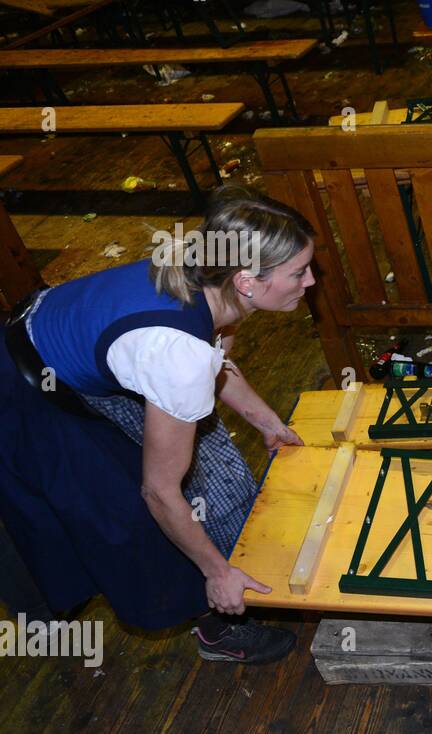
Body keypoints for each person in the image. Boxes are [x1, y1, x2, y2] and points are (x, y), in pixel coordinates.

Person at [0, 186, 316, 664]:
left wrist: (267, 422)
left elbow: (216, 360)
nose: (310, 281)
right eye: (298, 273)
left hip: (52, 346)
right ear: (248, 281)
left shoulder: (209, 276)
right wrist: (217, 572)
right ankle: (216, 629)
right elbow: (160, 491)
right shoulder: (177, 354)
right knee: (130, 517)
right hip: (25, 390)